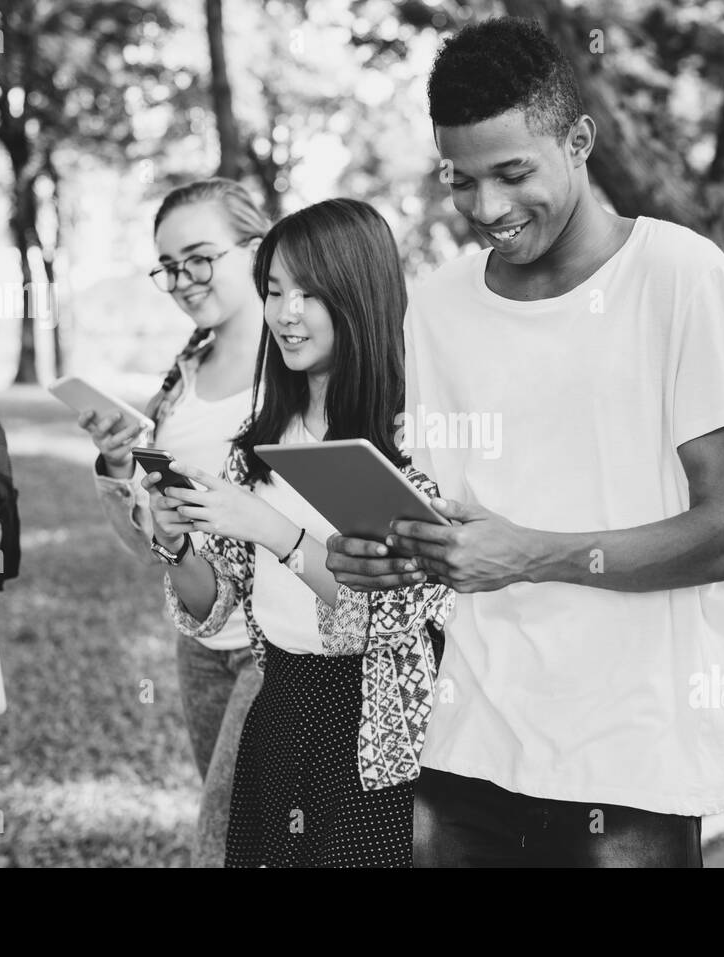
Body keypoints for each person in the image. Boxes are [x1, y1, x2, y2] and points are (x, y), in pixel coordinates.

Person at [326, 17, 724, 867]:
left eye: (511, 173)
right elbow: (452, 515)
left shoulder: (682, 279)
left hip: (631, 757)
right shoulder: (435, 306)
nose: (487, 208)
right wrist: (387, 551)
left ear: (579, 140)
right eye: (461, 181)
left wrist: (529, 555)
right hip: (469, 739)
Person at [151, 198, 453, 868]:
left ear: (358, 295)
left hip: (373, 733)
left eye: (310, 293)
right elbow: (216, 602)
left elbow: (395, 608)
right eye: (275, 291)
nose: (287, 313)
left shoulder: (412, 441)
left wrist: (275, 530)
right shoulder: (255, 443)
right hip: (280, 702)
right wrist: (173, 545)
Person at [78, 179, 269, 867]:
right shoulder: (180, 378)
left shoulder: (304, 364)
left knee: (220, 845)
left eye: (200, 258)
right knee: (256, 843)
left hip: (278, 647)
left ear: (258, 246)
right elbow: (151, 545)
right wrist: (116, 462)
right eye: (168, 266)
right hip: (200, 642)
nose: (183, 280)